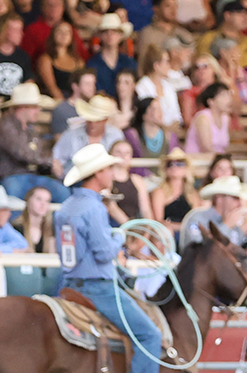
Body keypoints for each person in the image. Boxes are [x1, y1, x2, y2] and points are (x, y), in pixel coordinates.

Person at [57, 144, 163, 373]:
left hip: (68, 283)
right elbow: (104, 253)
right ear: (98, 173)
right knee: (150, 336)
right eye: (108, 169)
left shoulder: (65, 208)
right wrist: (120, 236)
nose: (112, 173)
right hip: (97, 288)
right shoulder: (94, 208)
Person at [0, 83, 67, 202]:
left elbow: (37, 152)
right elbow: (23, 153)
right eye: (35, 107)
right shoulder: (5, 126)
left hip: (32, 176)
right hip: (10, 176)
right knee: (12, 195)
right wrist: (51, 161)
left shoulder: (29, 128)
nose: (39, 110)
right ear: (23, 107)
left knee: (62, 193)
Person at [54, 96, 126, 172]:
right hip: (74, 180)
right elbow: (57, 159)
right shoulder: (72, 134)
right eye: (89, 120)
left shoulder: (116, 136)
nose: (92, 124)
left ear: (105, 120)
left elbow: (121, 162)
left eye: (97, 121)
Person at [181, 176, 247, 246]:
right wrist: (226, 226)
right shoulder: (198, 218)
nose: (240, 203)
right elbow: (199, 248)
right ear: (219, 198)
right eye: (235, 198)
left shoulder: (235, 227)